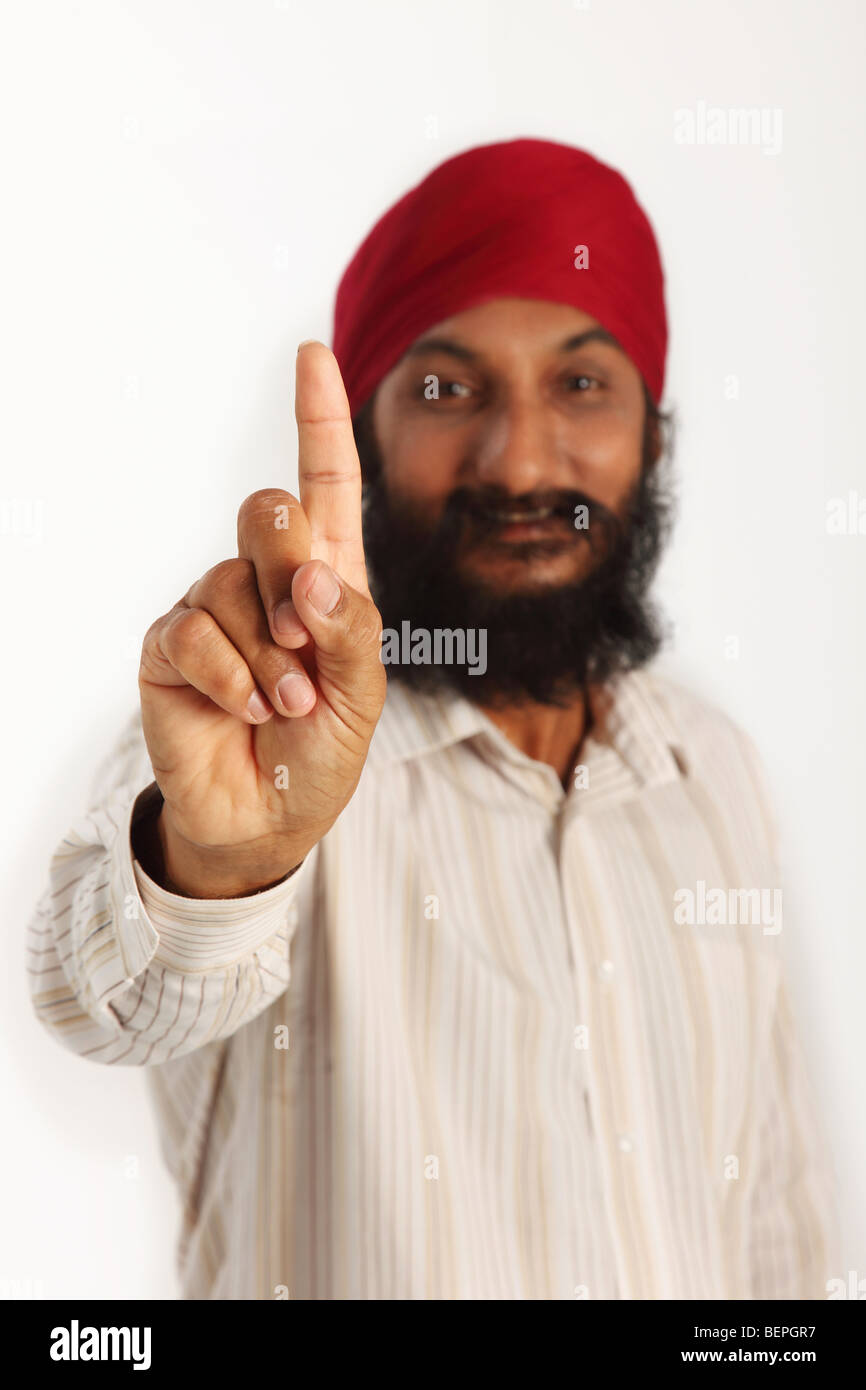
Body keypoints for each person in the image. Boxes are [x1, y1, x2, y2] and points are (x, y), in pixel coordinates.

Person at [26, 137, 839, 1300]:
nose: (518, 459)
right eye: (447, 388)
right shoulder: (263, 737)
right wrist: (219, 863)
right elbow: (104, 999)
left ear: (649, 432)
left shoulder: (712, 771)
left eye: (580, 382)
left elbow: (774, 1234)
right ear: (363, 443)